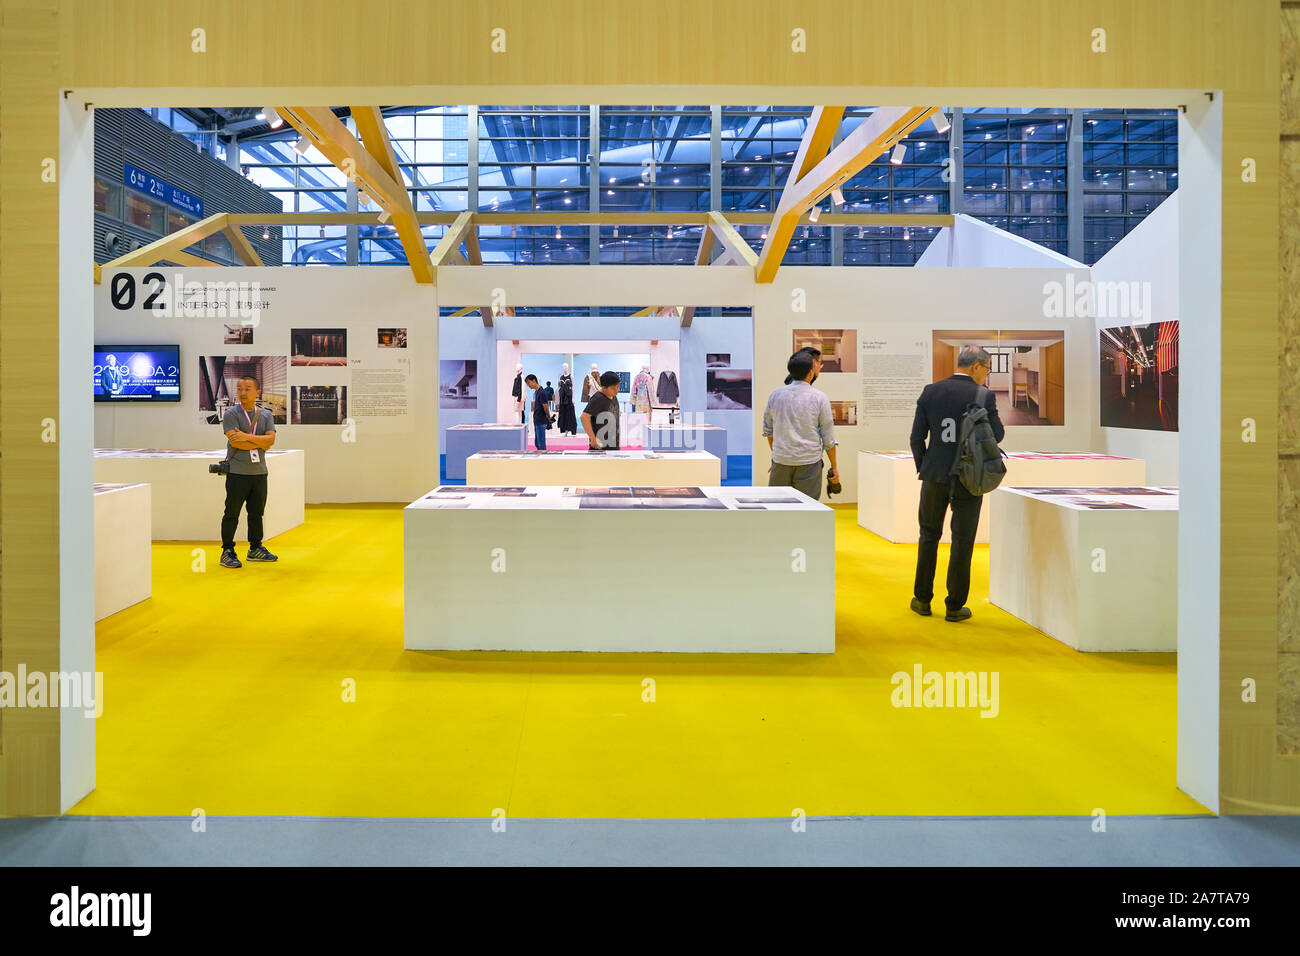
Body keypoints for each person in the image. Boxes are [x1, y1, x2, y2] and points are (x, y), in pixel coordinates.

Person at [909, 346, 1005, 622]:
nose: (986, 376)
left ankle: (923, 599)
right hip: (969, 477)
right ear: (976, 365)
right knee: (963, 541)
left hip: (934, 475)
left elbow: (916, 438)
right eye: (987, 369)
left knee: (928, 535)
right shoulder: (982, 395)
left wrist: (925, 467)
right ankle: (954, 606)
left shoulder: (930, 391)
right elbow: (996, 436)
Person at [219, 375, 279, 568]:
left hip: (259, 473)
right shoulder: (231, 414)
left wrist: (245, 436)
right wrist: (258, 441)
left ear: (257, 392)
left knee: (256, 513)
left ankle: (255, 548)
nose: (242, 393)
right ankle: (227, 550)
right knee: (232, 513)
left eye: (247, 389)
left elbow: (271, 440)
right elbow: (235, 442)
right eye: (239, 389)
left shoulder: (266, 415)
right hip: (237, 472)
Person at [762, 351, 838, 500]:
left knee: (778, 508)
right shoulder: (819, 397)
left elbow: (768, 430)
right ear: (811, 373)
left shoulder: (775, 394)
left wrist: (776, 455)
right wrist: (834, 466)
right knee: (807, 511)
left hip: (781, 461)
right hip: (809, 462)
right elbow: (828, 437)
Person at [581, 371, 621, 450]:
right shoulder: (598, 398)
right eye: (613, 388)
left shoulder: (613, 396)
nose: (617, 391)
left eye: (617, 387)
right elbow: (584, 417)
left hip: (613, 444)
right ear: (604, 387)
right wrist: (593, 438)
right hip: (601, 447)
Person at [526, 373, 549, 450]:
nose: (528, 385)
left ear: (534, 380)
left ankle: (544, 459)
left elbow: (545, 406)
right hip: (537, 420)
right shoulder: (537, 392)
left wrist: (548, 417)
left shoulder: (541, 392)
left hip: (541, 421)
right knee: (537, 443)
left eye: (529, 382)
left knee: (541, 443)